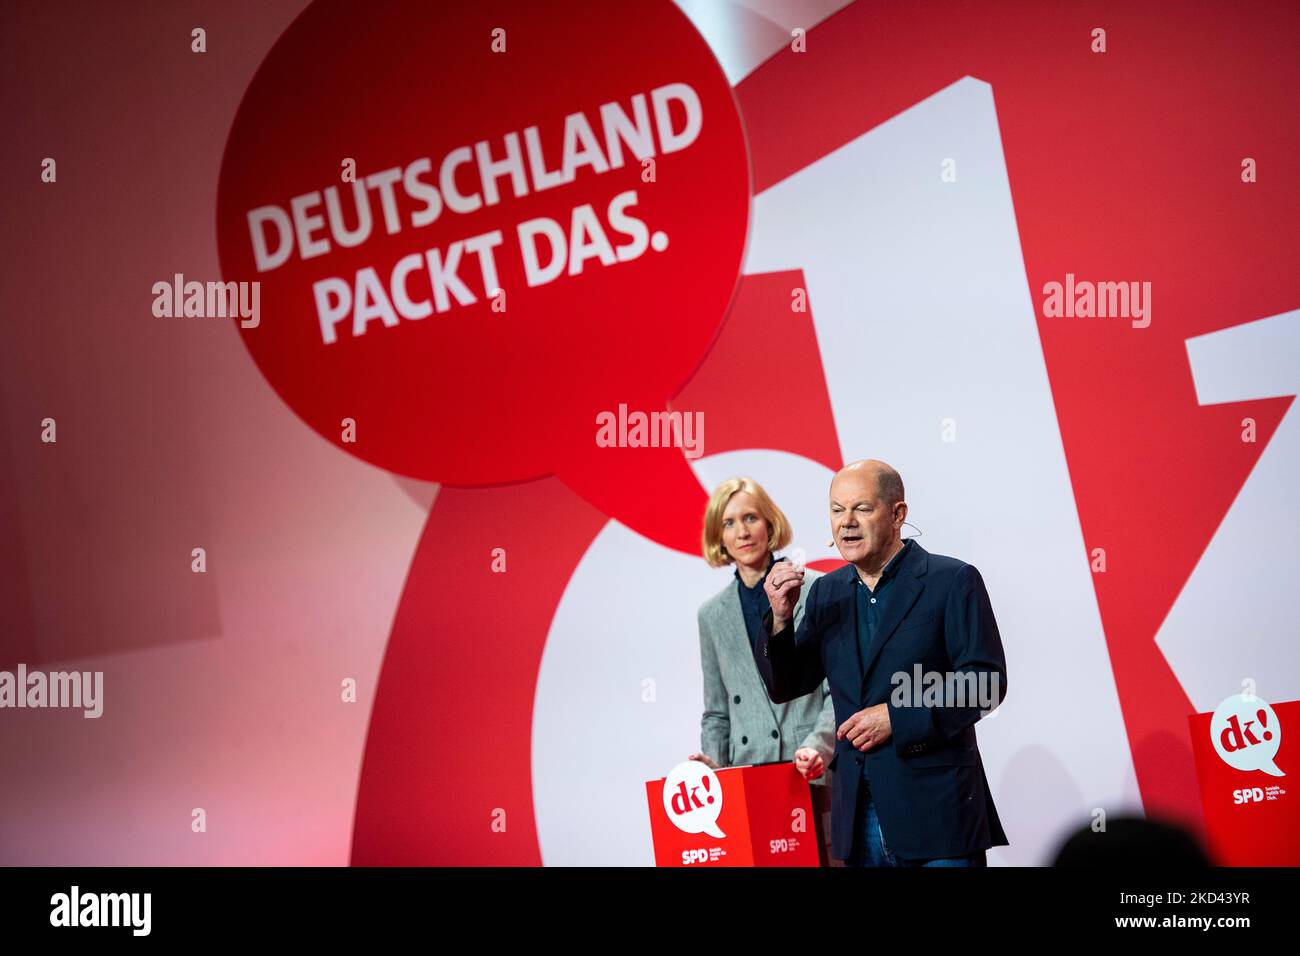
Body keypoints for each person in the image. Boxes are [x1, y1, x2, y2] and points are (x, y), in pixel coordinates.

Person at [755, 459, 1008, 867]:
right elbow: (788, 684)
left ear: (898, 514)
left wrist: (897, 716)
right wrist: (781, 619)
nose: (846, 523)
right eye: (837, 510)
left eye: (862, 508)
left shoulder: (951, 580)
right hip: (857, 814)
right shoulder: (827, 593)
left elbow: (985, 684)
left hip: (937, 812)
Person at [687, 476, 836, 863]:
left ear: (770, 524)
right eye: (729, 522)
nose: (742, 531)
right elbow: (717, 711)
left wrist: (818, 746)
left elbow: (838, 691)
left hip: (811, 773)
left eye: (750, 517)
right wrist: (711, 771)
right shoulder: (711, 616)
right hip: (748, 783)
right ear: (718, 536)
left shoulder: (816, 589)